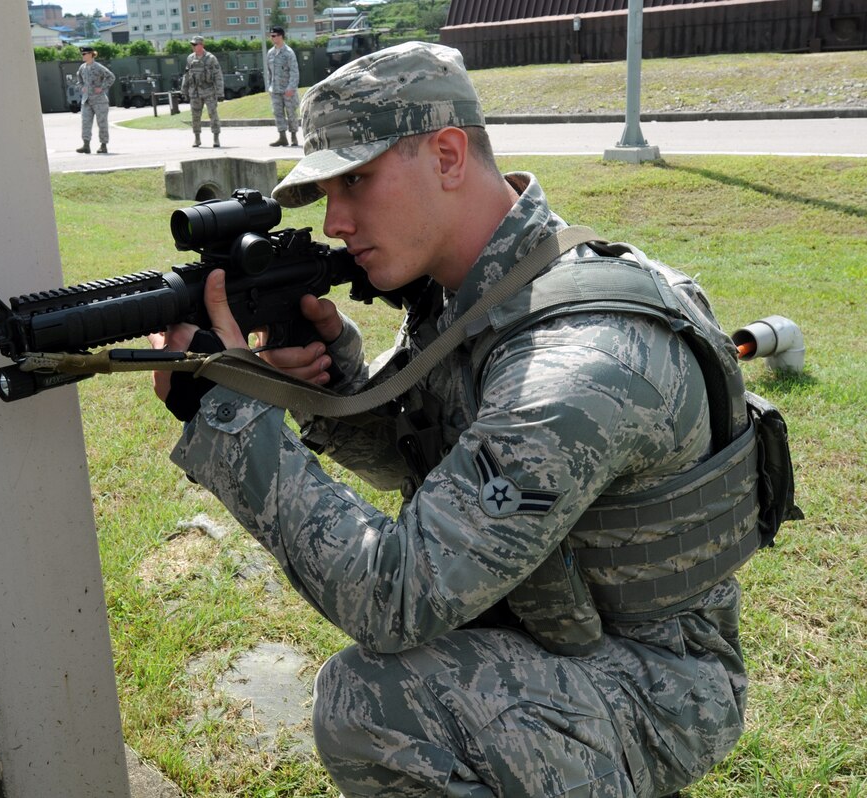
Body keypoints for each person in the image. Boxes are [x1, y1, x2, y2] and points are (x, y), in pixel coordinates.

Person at [152, 42, 757, 797]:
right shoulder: (477, 293)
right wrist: (335, 379)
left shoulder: (577, 364)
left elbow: (396, 596)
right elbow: (432, 462)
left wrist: (227, 414)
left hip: (656, 687)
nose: (336, 220)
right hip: (554, 632)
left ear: (446, 155)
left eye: (357, 180)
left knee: (370, 702)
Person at [181, 35, 223, 148]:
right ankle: (197, 138)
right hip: (195, 93)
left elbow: (218, 75)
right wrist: (184, 90)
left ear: (201, 45)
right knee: (195, 116)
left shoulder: (211, 58)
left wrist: (220, 93)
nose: (193, 46)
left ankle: (216, 138)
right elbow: (186, 75)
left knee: (213, 114)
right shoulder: (190, 58)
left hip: (209, 91)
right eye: (192, 44)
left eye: (195, 44)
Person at [265, 25, 300, 147]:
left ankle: (294, 137)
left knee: (291, 113)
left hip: (287, 90)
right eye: (271, 36)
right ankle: (282, 137)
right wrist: (269, 87)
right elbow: (269, 72)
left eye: (274, 35)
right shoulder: (270, 53)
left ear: (280, 36)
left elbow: (294, 72)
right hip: (275, 90)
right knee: (277, 113)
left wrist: (291, 88)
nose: (272, 38)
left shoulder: (289, 53)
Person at [76, 46, 114, 154]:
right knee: (85, 123)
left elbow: (111, 77)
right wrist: (81, 87)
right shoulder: (82, 68)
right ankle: (86, 145)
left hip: (99, 101)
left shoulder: (98, 67)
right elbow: (79, 80)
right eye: (82, 54)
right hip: (86, 100)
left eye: (84, 54)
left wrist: (102, 88)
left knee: (102, 123)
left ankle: (103, 145)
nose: (82, 56)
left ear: (91, 54)